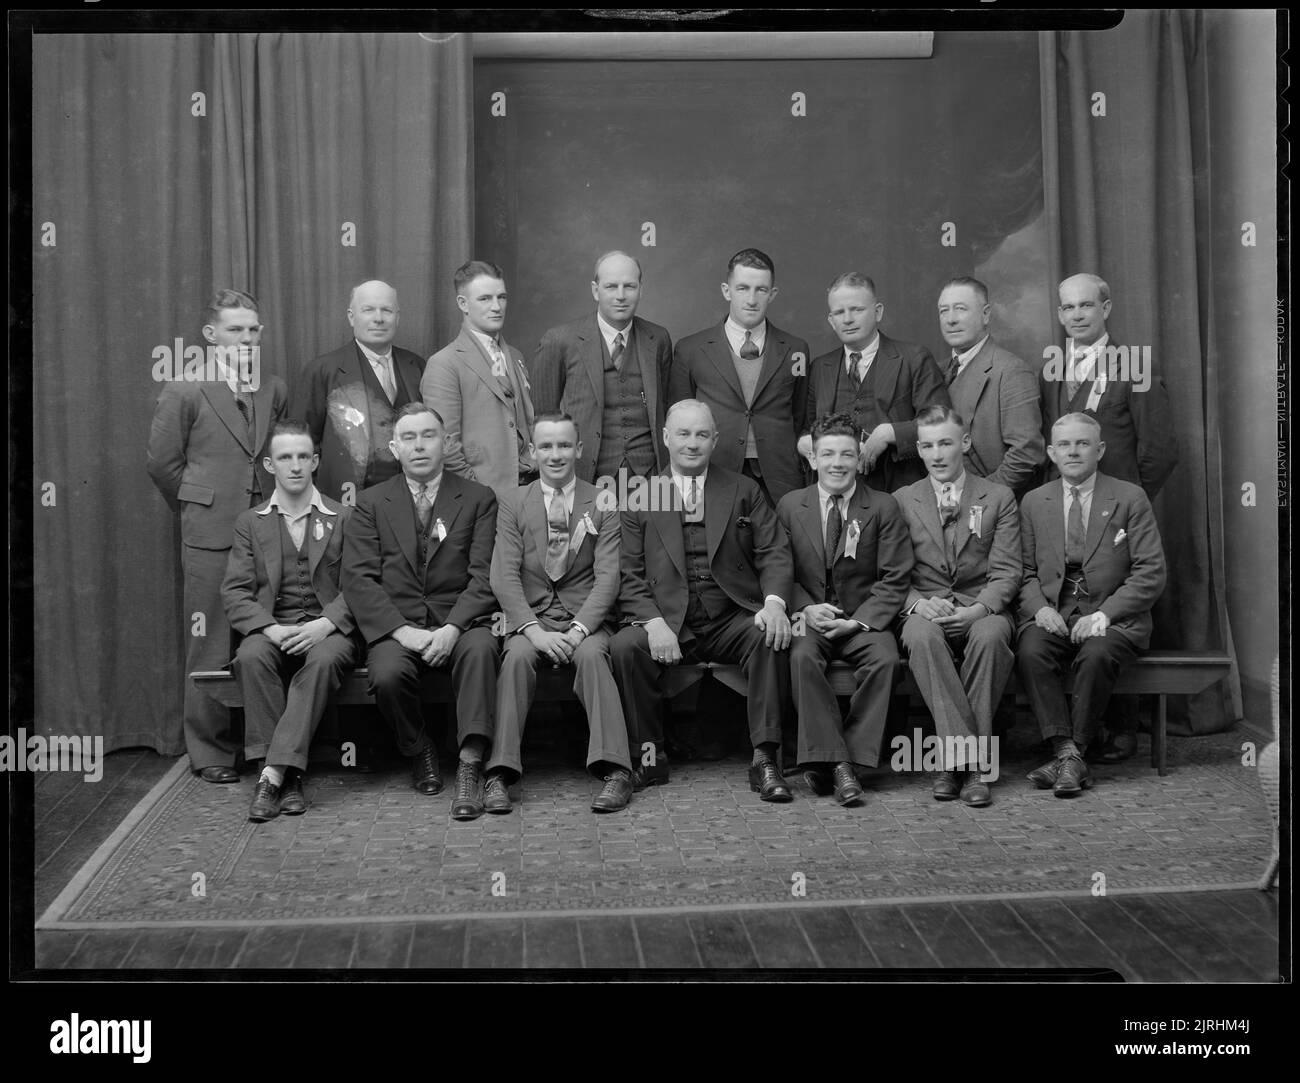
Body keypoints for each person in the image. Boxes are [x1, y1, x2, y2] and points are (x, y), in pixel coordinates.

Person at [610, 399, 795, 799]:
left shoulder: (744, 489)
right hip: (670, 620)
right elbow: (629, 573)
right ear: (665, 438)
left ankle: (765, 758)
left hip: (732, 616)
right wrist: (654, 623)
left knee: (771, 637)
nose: (691, 444)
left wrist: (775, 603)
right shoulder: (642, 495)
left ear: (715, 440)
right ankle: (648, 759)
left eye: (701, 435)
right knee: (626, 647)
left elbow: (774, 552)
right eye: (683, 434)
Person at [147, 288, 288, 782]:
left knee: (262, 636)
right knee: (208, 641)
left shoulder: (272, 387)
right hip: (209, 534)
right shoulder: (185, 389)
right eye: (235, 329)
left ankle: (267, 746)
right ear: (211, 336)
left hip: (267, 532)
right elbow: (163, 465)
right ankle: (209, 752)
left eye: (253, 329)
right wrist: (199, 503)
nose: (246, 338)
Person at [340, 404, 501, 819]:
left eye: (428, 435)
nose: (419, 446)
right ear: (394, 448)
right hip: (398, 625)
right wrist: (400, 631)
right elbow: (358, 581)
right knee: (388, 674)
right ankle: (419, 749)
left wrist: (452, 628)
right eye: (408, 438)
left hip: (462, 620)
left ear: (445, 442)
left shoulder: (479, 498)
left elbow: (484, 576)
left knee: (481, 652)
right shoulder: (371, 503)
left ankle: (470, 762)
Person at [1043, 272, 1179, 761]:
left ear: (1106, 308)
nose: (1076, 315)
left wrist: (1127, 501)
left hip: (1117, 514)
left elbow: (1161, 450)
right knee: (1073, 609)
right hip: (1071, 509)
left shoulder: (1133, 366)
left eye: (1086, 306)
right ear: (1059, 314)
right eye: (1068, 308)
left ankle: (1122, 729)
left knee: (1114, 611)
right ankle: (1077, 734)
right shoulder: (1054, 368)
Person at [485, 414, 633, 813]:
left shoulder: (602, 499)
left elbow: (608, 577)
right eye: (546, 446)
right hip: (532, 618)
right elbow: (504, 576)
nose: (555, 454)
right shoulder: (513, 502)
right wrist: (534, 633)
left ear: (579, 449)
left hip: (585, 619)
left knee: (592, 658)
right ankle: (499, 771)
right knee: (515, 657)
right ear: (532, 452)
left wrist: (581, 628)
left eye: (564, 445)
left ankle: (616, 769)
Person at [1015, 413, 1167, 797]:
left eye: (1083, 444)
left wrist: (1104, 615)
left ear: (1099, 450)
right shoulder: (1034, 501)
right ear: (1051, 452)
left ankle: (1072, 752)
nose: (1073, 452)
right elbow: (1025, 570)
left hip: (1113, 613)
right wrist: (1039, 608)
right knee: (1031, 649)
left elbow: (1150, 571)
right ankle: (1068, 753)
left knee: (1097, 652)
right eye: (1064, 445)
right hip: (1056, 608)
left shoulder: (1129, 497)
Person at [221, 420, 358, 821]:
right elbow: (235, 592)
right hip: (273, 625)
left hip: (328, 629)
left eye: (303, 456)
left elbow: (362, 587)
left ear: (315, 461)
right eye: (285, 457)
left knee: (323, 660)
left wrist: (325, 624)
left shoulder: (343, 516)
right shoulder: (251, 522)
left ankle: (272, 775)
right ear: (269, 465)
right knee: (250, 657)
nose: (295, 465)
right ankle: (291, 775)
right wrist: (271, 628)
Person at [776, 413, 912, 806]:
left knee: (885, 661)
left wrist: (858, 621)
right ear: (812, 459)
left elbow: (895, 576)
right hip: (811, 617)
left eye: (847, 454)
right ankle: (838, 765)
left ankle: (845, 760)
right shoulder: (790, 506)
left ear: (860, 459)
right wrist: (804, 608)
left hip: (863, 618)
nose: (838, 463)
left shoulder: (883, 507)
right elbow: (779, 569)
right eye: (828, 454)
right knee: (801, 658)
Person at [893, 406, 1021, 807]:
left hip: (980, 605)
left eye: (946, 443)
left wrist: (979, 610)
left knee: (992, 636)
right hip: (926, 607)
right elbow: (891, 574)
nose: (937, 454)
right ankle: (972, 763)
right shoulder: (900, 500)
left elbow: (1006, 573)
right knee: (920, 636)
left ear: (964, 443)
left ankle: (953, 764)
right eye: (928, 446)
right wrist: (916, 605)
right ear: (918, 450)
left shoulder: (998, 497)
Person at [668, 248, 809, 505]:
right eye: (743, 288)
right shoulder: (690, 349)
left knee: (779, 545)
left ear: (773, 294)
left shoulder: (795, 350)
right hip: (714, 473)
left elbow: (800, 418)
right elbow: (679, 417)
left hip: (779, 480)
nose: (752, 299)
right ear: (726, 290)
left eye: (761, 290)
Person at [530, 251, 674, 484]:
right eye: (611, 287)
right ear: (596, 290)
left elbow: (667, 409)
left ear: (641, 290)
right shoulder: (559, 340)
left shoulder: (658, 339)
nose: (621, 295)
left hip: (650, 476)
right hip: (586, 475)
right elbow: (543, 420)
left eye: (629, 286)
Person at [799, 272, 949, 492]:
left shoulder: (914, 359)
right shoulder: (820, 368)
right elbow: (806, 428)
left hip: (900, 494)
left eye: (857, 309)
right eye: (839, 312)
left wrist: (889, 433)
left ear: (878, 312)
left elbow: (941, 424)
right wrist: (804, 443)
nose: (847, 319)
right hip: (837, 496)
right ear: (831, 321)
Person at [291, 280, 426, 503]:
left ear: (398, 317)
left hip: (410, 501)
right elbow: (301, 443)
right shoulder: (322, 371)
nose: (379, 318)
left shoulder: (417, 366)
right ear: (351, 317)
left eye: (387, 310)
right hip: (346, 502)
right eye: (368, 310)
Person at [421, 260, 537, 500]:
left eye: (501, 297)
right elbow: (445, 444)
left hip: (529, 492)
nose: (497, 307)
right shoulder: (444, 363)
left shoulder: (515, 356)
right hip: (481, 499)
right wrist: (480, 493)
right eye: (485, 299)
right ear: (463, 304)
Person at [936, 276, 1043, 499]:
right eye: (944, 311)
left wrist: (976, 498)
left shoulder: (1011, 371)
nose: (951, 319)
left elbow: (1025, 453)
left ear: (985, 314)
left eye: (960, 309)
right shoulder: (934, 371)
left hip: (991, 512)